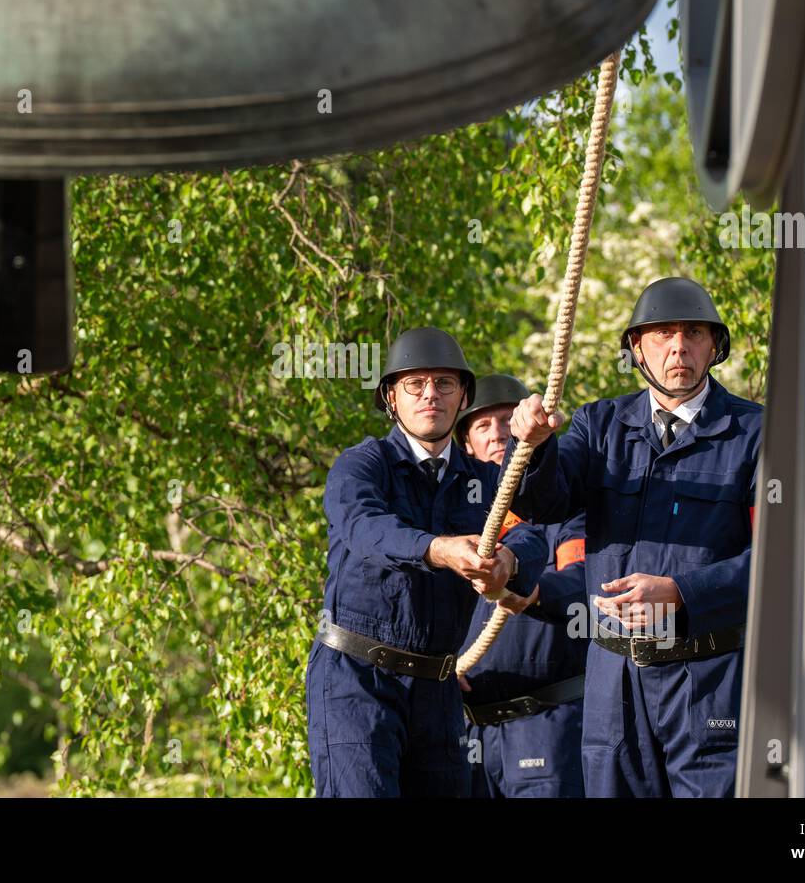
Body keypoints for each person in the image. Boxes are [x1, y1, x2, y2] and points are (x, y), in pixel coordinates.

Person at [506, 277, 763, 797]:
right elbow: (545, 502)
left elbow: (784, 565)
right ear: (636, 349)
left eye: (694, 332)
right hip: (611, 685)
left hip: (709, 682)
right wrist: (533, 447)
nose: (678, 346)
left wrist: (681, 593)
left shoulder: (757, 432)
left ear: (715, 346)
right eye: (662, 333)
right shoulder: (599, 425)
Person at [306, 327, 561, 797]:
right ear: (391, 397)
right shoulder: (362, 465)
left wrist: (508, 559)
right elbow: (365, 528)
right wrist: (438, 549)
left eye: (444, 384)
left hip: (438, 692)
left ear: (462, 396)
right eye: (415, 384)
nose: (430, 395)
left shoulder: (485, 480)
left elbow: (530, 536)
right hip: (357, 683)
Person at [454, 373, 588, 798]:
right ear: (466, 445)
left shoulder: (562, 508)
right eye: (481, 426)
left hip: (546, 725)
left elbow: (587, 584)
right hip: (467, 734)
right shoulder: (449, 524)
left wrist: (533, 593)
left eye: (505, 421)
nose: (496, 435)